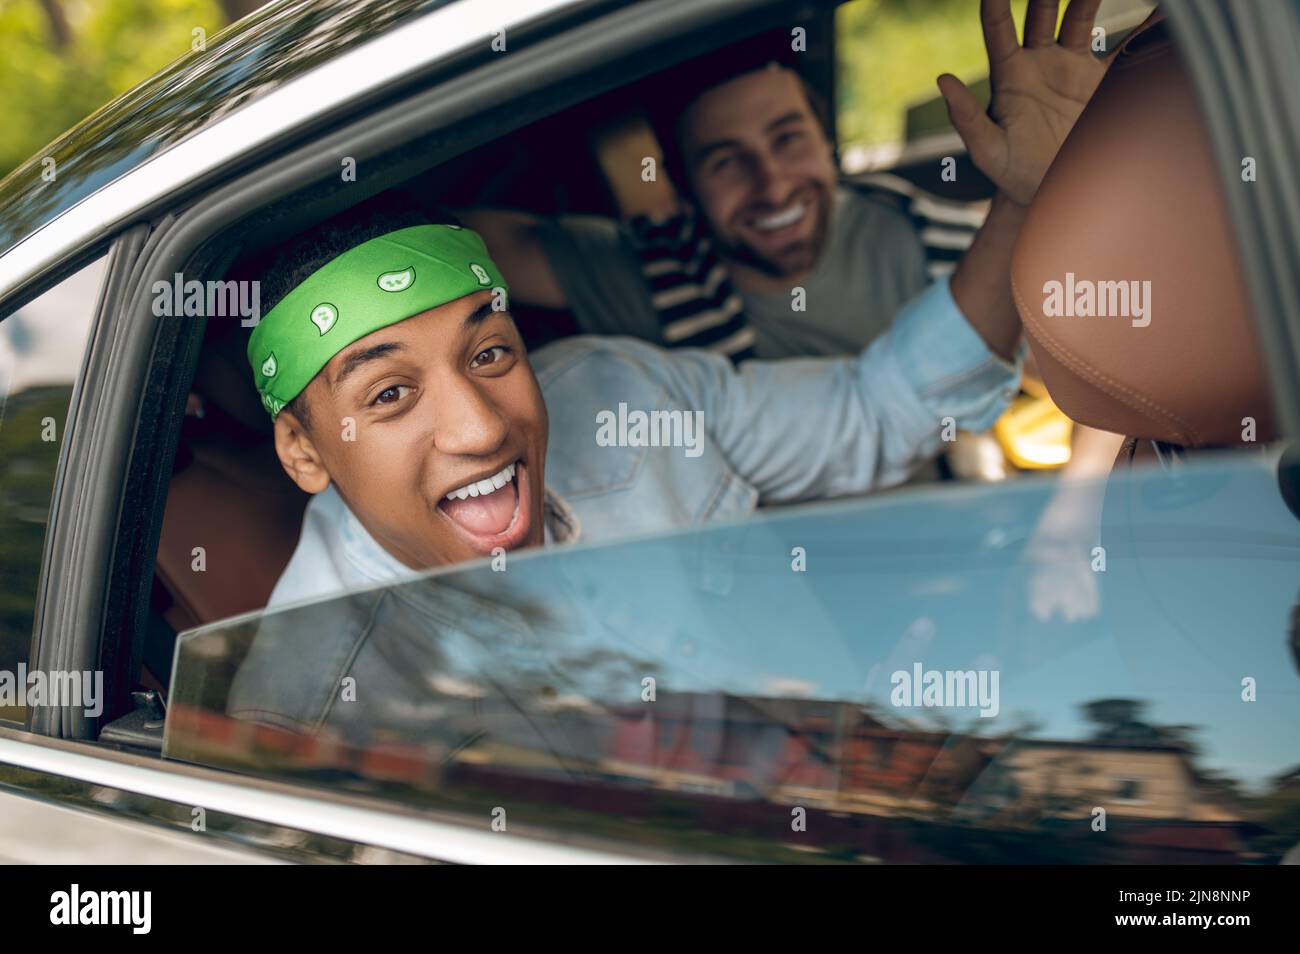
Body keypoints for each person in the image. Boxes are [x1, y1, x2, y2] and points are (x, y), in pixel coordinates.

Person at [249, 202, 1021, 610]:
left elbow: (880, 408)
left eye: (489, 355)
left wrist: (1027, 200)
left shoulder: (627, 395)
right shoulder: (318, 706)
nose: (483, 428)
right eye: (389, 394)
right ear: (304, 451)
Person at [461, 0, 1109, 365]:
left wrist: (1067, 516)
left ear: (827, 144)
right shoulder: (651, 268)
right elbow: (472, 242)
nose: (771, 186)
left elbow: (1107, 361)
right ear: (681, 187)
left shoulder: (925, 234)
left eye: (788, 140)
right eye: (724, 160)